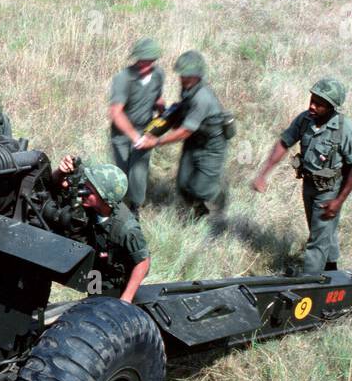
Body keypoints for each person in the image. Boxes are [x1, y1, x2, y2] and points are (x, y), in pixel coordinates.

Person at [250, 78, 352, 274]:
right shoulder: (304, 120)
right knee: (320, 229)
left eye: (319, 104)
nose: (312, 106)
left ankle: (309, 283)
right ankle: (331, 270)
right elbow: (284, 143)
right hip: (309, 185)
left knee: (317, 240)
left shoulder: (345, 130)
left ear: (331, 107)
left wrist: (338, 201)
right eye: (312, 100)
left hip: (329, 191)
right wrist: (263, 174)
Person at [55, 155, 151, 304]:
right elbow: (61, 185)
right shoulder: (92, 189)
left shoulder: (126, 228)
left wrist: (126, 299)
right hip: (96, 266)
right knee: (92, 299)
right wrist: (61, 172)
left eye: (88, 191)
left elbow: (143, 262)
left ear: (105, 199)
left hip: (112, 279)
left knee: (102, 305)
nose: (82, 193)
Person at [148, 50, 229, 218]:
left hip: (211, 146)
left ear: (197, 75)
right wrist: (166, 114)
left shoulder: (202, 97)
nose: (183, 78)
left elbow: (184, 131)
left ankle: (218, 194)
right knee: (183, 185)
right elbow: (182, 120)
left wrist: (156, 142)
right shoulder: (188, 90)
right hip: (194, 142)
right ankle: (199, 211)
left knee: (201, 189)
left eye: (187, 75)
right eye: (182, 74)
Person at [107, 37, 167, 212]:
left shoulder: (158, 75)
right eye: (142, 61)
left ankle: (134, 209)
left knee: (139, 172)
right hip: (122, 134)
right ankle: (114, 206)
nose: (145, 66)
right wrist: (135, 137)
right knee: (121, 173)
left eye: (150, 62)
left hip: (146, 131)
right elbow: (115, 112)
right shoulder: (123, 78)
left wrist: (164, 110)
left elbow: (157, 97)